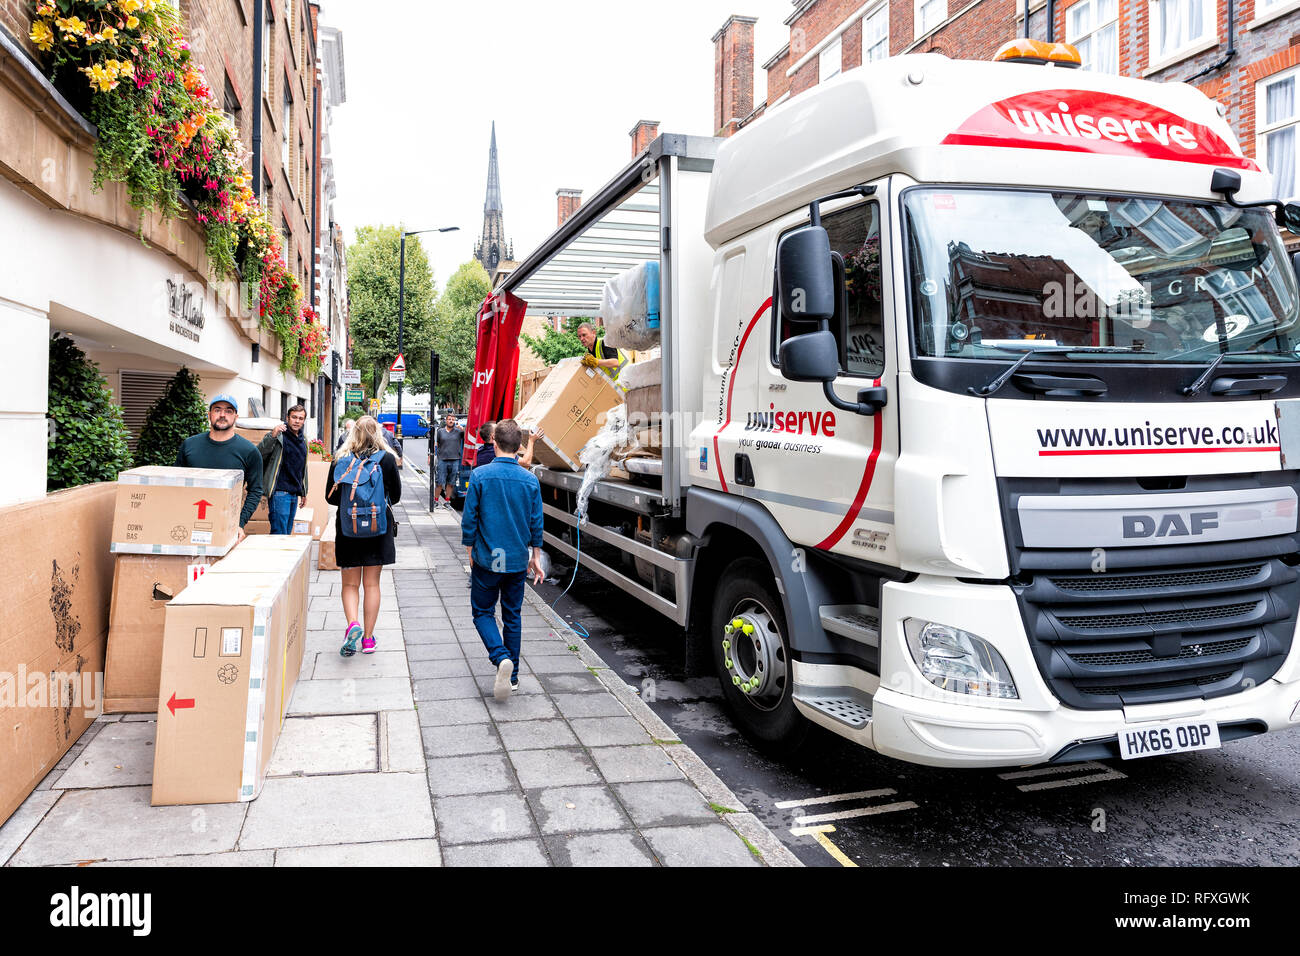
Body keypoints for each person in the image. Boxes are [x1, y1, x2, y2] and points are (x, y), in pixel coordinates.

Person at [460, 419, 545, 699]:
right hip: (517, 560)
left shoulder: (480, 475)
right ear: (519, 446)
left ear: (494, 443)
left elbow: (469, 519)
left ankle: (500, 656)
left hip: (488, 558)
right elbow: (536, 523)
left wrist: (470, 551)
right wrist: (535, 557)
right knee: (512, 616)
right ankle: (514, 676)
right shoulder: (530, 480)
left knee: (483, 612)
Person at [326, 415, 402, 657]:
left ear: (353, 433)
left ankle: (352, 624)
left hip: (348, 529)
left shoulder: (341, 459)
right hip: (378, 529)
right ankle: (368, 639)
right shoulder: (387, 459)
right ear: (378, 434)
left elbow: (330, 498)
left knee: (350, 584)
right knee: (372, 584)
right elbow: (396, 496)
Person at [175, 394, 263, 542]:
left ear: (235, 417)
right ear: (209, 414)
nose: (222, 415)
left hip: (226, 526)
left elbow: (256, 490)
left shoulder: (249, 451)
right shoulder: (189, 445)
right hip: (187, 523)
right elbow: (176, 484)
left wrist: (239, 523)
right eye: (217, 410)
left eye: (228, 411)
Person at [257, 403, 309, 535]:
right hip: (279, 492)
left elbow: (302, 468)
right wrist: (272, 435)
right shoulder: (278, 436)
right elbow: (259, 454)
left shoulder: (303, 440)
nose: (297, 421)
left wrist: (303, 492)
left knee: (286, 534)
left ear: (304, 421)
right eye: (294, 417)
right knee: (279, 534)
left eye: (300, 418)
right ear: (287, 418)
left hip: (294, 493)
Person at [431, 412, 464, 509]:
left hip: (455, 460)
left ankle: (447, 502)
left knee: (451, 482)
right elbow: (436, 444)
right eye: (449, 419)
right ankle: (435, 501)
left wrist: (463, 429)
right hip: (442, 459)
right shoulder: (440, 431)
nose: (451, 421)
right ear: (446, 420)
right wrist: (432, 456)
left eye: (453, 419)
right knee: (439, 482)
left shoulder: (459, 432)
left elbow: (467, 437)